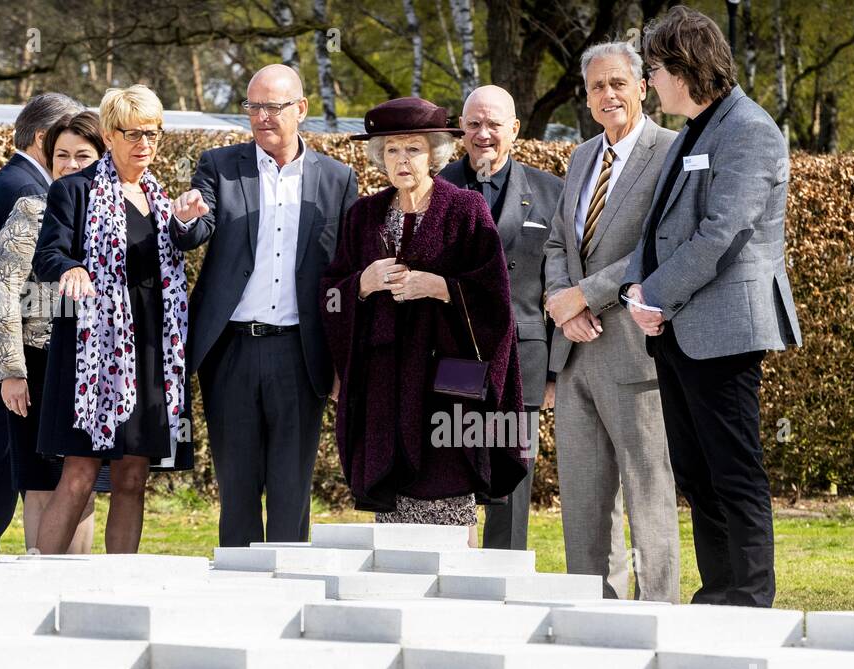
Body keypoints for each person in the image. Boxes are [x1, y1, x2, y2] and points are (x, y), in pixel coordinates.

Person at [623, 6, 802, 607]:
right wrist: (634, 290)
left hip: (724, 330)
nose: (649, 82)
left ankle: (750, 597)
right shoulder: (696, 130)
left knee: (733, 470)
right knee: (697, 474)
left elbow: (721, 234)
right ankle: (719, 593)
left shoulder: (749, 129)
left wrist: (655, 294)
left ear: (685, 66)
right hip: (676, 328)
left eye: (653, 69)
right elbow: (654, 228)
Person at [321, 97, 527, 543]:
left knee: (451, 499)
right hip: (385, 384)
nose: (402, 159)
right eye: (391, 149)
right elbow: (330, 297)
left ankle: (458, 599)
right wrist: (362, 282)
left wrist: (440, 287)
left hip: (448, 383)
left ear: (434, 154)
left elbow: (496, 300)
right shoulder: (363, 216)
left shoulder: (465, 210)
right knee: (393, 511)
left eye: (413, 149)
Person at [170, 64, 358, 547]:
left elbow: (344, 275)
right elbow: (193, 232)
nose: (261, 117)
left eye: (272, 107)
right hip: (229, 350)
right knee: (236, 485)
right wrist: (186, 217)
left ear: (301, 109)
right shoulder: (219, 165)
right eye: (252, 107)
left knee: (291, 486)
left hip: (300, 353)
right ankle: (236, 591)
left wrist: (342, 358)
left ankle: (288, 589)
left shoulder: (338, 180)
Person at [544, 41, 681, 602]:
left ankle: (658, 612)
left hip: (633, 349)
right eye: (597, 86)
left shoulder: (670, 150)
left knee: (648, 491)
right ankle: (591, 612)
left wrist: (585, 297)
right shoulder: (580, 157)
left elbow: (661, 246)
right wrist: (560, 300)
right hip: (575, 355)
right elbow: (557, 241)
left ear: (642, 87)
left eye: (618, 83)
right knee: (583, 500)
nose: (608, 95)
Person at [31, 85, 193, 555]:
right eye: (133, 133)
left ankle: (117, 590)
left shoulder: (161, 198)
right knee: (79, 476)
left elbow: (187, 243)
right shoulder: (73, 190)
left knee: (132, 477)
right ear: (108, 134)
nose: (145, 143)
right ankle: (41, 581)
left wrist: (190, 222)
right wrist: (72, 268)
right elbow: (48, 254)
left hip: (149, 355)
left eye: (154, 133)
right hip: (91, 356)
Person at [0, 92, 82, 552]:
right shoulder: (30, 191)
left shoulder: (12, 180)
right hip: (14, 359)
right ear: (44, 137)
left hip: (4, 354)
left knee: (5, 474)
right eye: (66, 140)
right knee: (1, 476)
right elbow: (18, 288)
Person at [439, 85, 563, 551]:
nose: (483, 134)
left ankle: (503, 585)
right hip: (454, 356)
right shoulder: (438, 188)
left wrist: (554, 373)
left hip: (522, 358)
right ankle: (453, 580)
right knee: (453, 468)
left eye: (493, 124)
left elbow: (563, 284)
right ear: (461, 130)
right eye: (473, 124)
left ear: (514, 129)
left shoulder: (551, 191)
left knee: (511, 478)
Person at [0, 110, 109, 554]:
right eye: (62, 155)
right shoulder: (31, 208)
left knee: (85, 484)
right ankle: (37, 592)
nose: (72, 165)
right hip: (39, 366)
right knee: (42, 485)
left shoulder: (113, 212)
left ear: (103, 156)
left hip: (96, 368)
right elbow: (2, 293)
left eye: (83, 155)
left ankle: (76, 593)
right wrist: (12, 371)